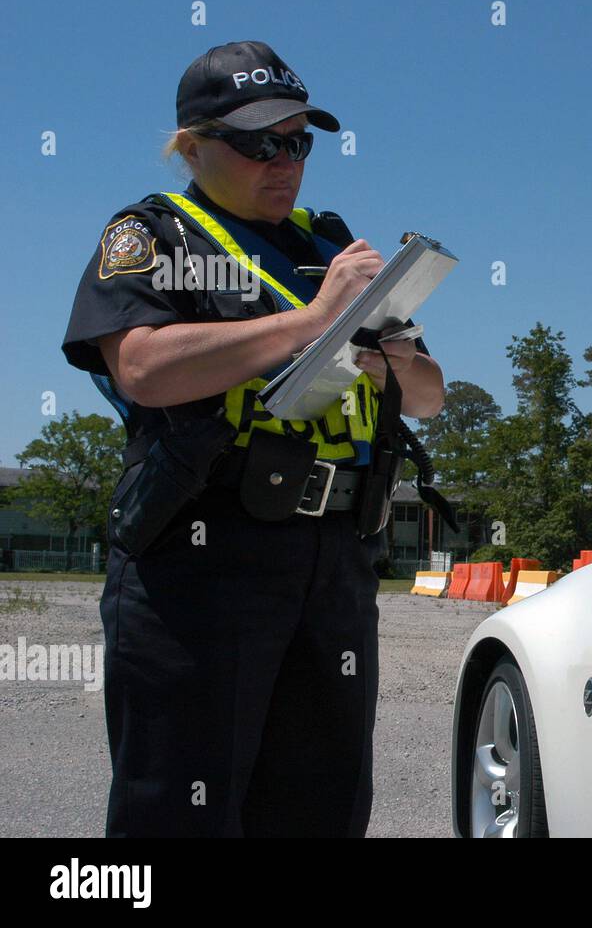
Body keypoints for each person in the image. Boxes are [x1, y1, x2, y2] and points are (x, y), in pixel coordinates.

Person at [61, 40, 445, 837]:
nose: (286, 161)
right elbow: (140, 368)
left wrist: (390, 361)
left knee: (322, 808)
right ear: (192, 147)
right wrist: (312, 323)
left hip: (335, 559)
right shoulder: (151, 235)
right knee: (179, 811)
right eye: (258, 142)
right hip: (204, 558)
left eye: (298, 141)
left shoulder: (327, 241)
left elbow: (433, 399)